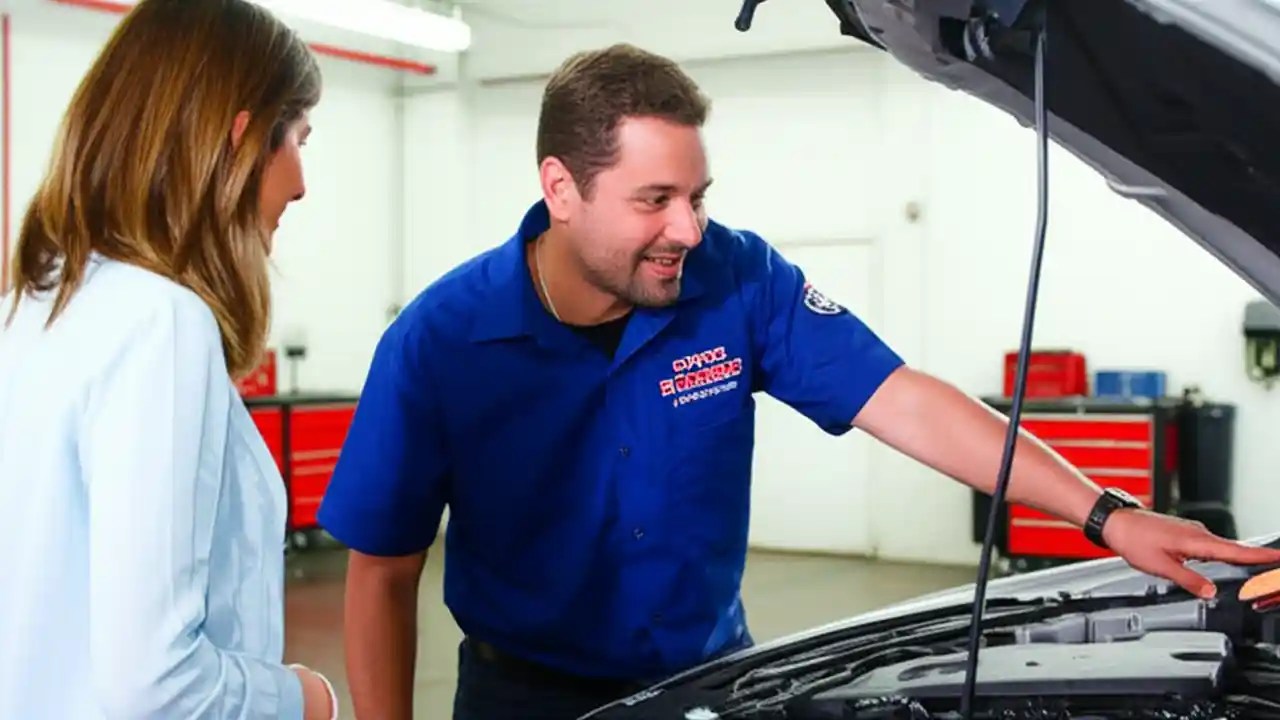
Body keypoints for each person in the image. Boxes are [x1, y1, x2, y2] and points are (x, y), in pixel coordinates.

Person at [317, 43, 1280, 720]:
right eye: (654, 200)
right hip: (521, 697)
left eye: (698, 197)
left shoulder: (737, 276)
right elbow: (382, 574)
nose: (688, 230)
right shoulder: (439, 343)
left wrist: (1106, 515)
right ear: (561, 189)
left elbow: (902, 399)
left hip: (712, 680)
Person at [0, 1, 337, 718]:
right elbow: (155, 683)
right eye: (297, 139)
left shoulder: (37, 302)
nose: (301, 182)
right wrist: (306, 700)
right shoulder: (162, 322)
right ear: (240, 136)